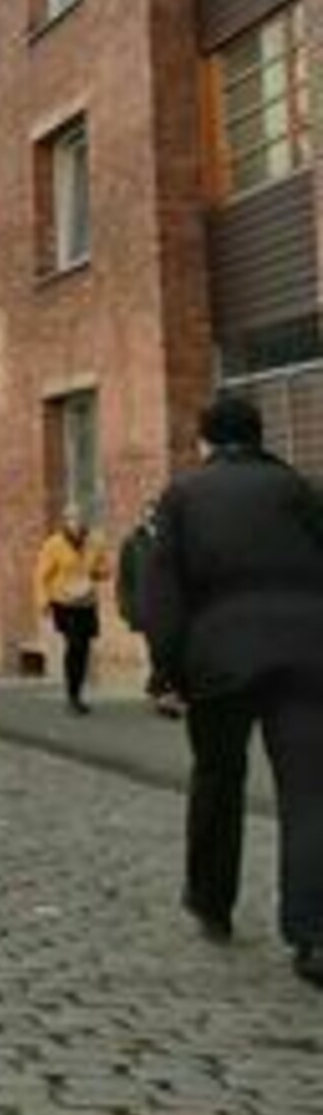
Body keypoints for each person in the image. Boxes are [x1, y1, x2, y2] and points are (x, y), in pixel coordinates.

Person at [141, 393, 323, 985]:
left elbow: (163, 592)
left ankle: (212, 902)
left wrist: (165, 671)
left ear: (205, 441)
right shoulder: (299, 490)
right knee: (310, 793)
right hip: (307, 655)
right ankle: (312, 933)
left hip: (220, 657)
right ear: (259, 435)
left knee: (219, 776)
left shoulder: (184, 496)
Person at [33, 504, 110, 714]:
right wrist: (44, 602)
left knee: (83, 649)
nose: (76, 522)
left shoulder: (95, 541)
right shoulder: (53, 545)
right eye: (71, 518)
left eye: (80, 518)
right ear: (65, 521)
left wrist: (97, 572)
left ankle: (78, 694)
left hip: (86, 601)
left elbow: (106, 569)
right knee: (74, 644)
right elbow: (41, 576)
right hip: (64, 602)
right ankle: (72, 696)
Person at [115, 501, 182, 717]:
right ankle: (163, 696)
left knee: (171, 652)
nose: (153, 519)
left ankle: (158, 690)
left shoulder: (173, 541)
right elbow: (124, 579)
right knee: (159, 652)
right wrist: (126, 607)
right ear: (143, 518)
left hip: (172, 606)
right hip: (147, 607)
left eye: (157, 515)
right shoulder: (133, 543)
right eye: (149, 515)